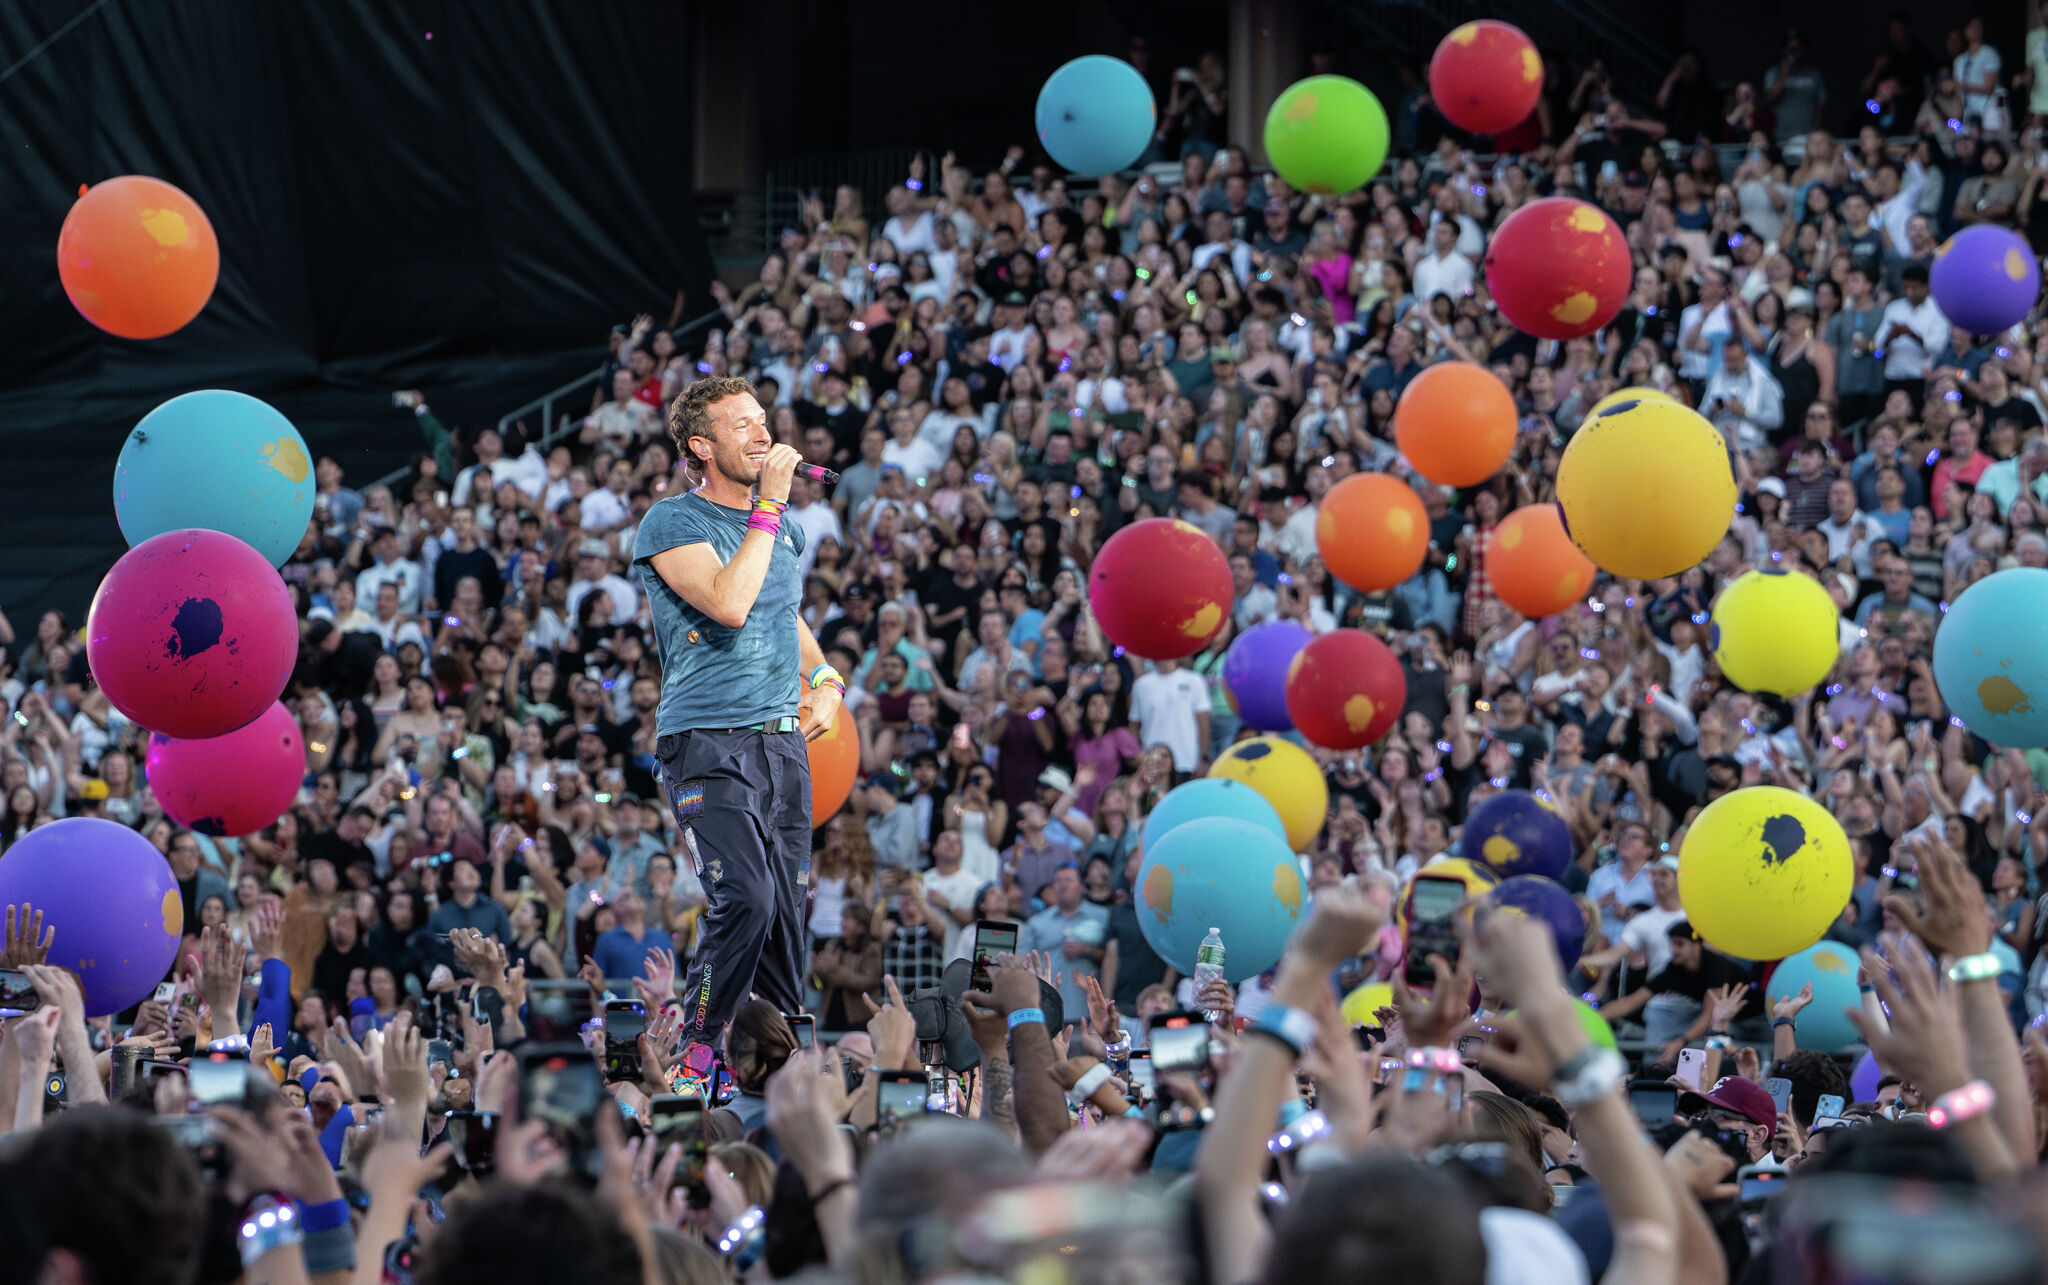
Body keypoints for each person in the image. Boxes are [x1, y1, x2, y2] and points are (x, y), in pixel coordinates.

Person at [634, 375, 842, 1048]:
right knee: (745, 899)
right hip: (707, 739)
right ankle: (694, 1048)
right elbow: (729, 601)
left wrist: (826, 675)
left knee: (783, 922)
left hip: (782, 745)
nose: (762, 433)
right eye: (742, 425)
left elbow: (784, 615)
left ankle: (782, 1074)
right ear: (701, 444)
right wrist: (770, 507)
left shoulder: (786, 531)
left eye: (763, 420)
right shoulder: (672, 520)